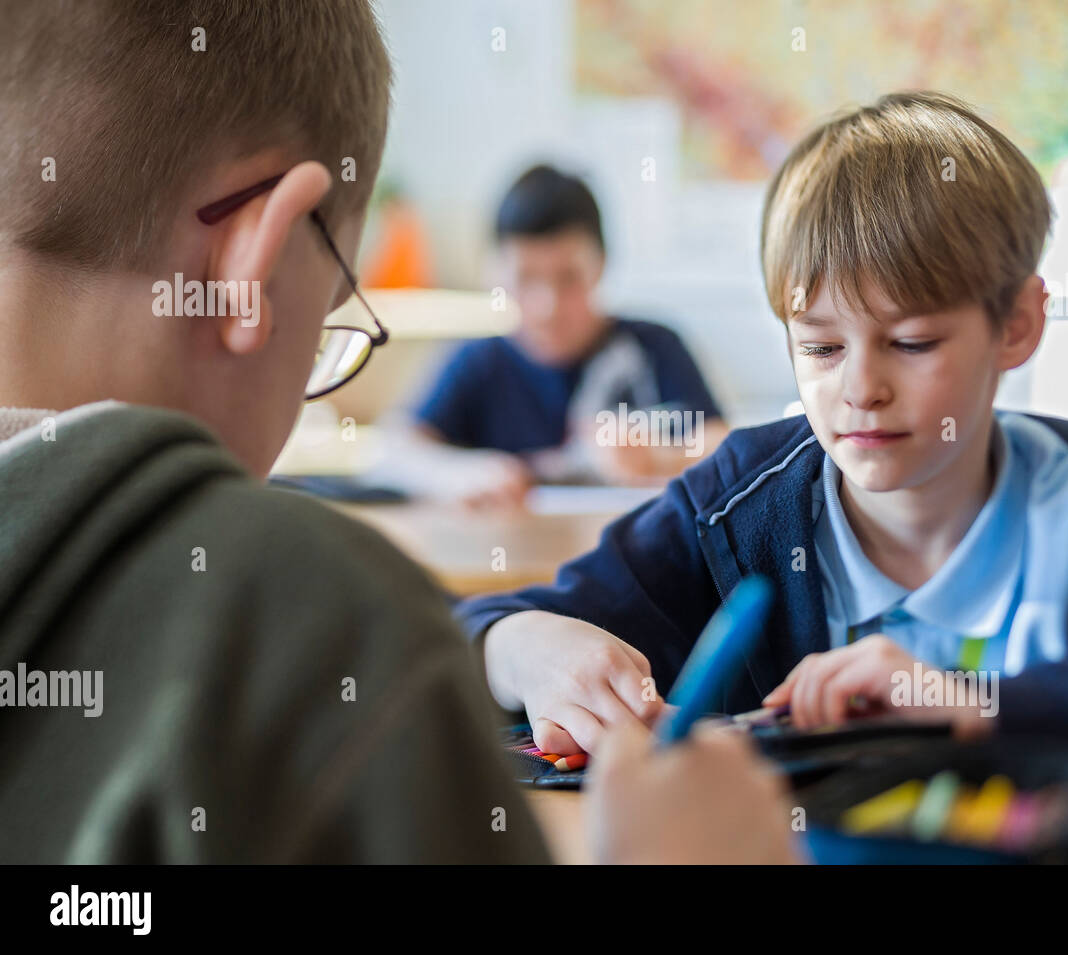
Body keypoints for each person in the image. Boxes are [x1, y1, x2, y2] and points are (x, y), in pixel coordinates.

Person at [0, 0, 798, 865]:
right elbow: (408, 443)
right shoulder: (328, 621)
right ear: (253, 262)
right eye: (331, 319)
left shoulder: (653, 345)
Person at [458, 92, 1068, 755]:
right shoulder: (741, 508)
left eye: (912, 341)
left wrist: (978, 704)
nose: (861, 388)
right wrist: (522, 646)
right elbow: (461, 636)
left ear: (1015, 326)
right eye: (820, 347)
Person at [387, 165, 729, 508]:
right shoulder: (477, 363)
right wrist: (456, 474)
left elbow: (721, 445)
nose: (547, 305)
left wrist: (660, 459)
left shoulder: (654, 348)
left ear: (601, 264)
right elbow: (395, 450)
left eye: (568, 277)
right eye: (526, 277)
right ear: (496, 271)